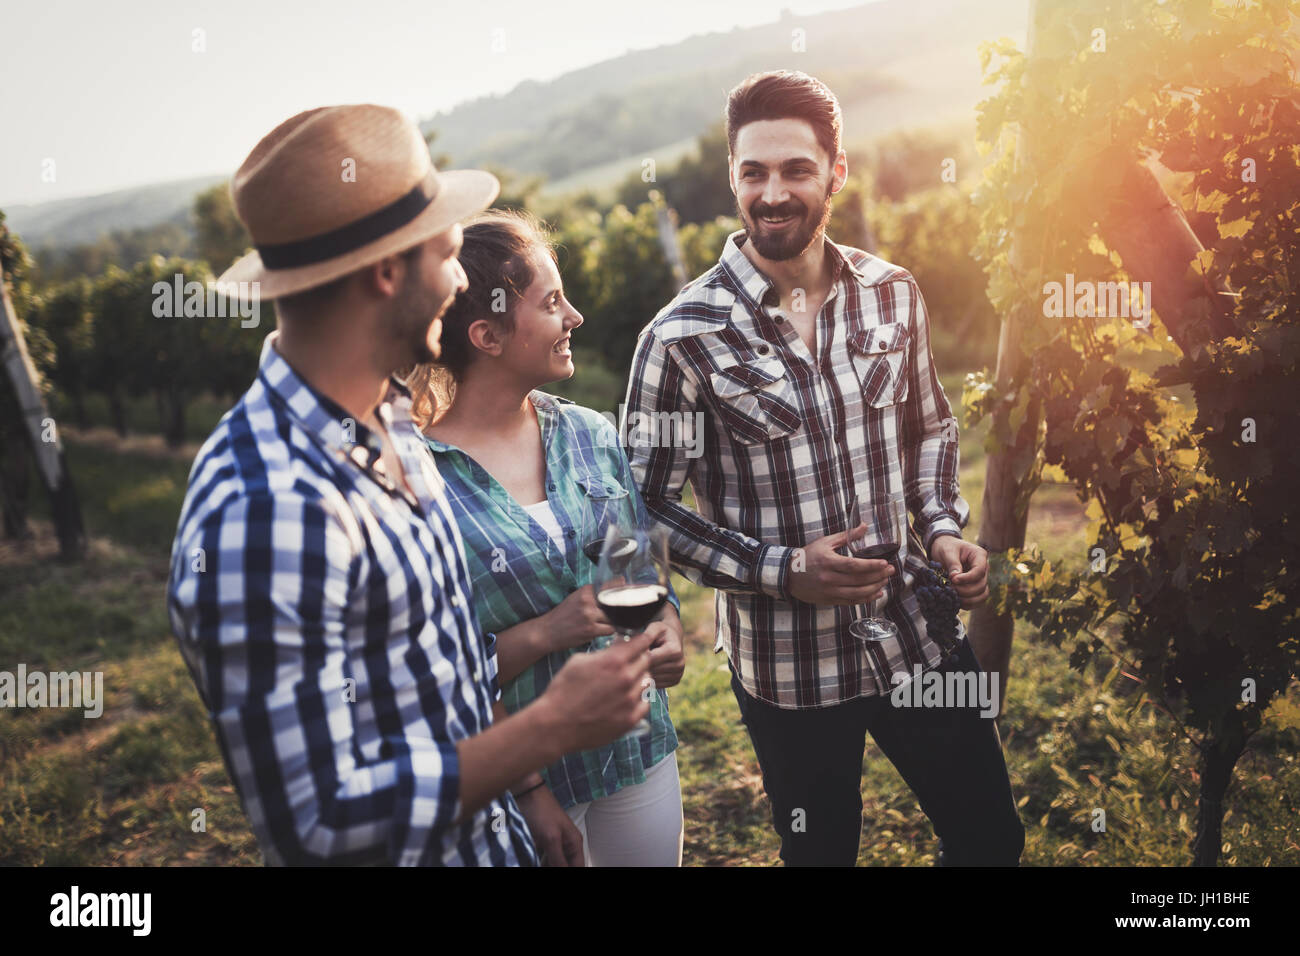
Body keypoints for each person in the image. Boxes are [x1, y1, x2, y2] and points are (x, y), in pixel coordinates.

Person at [167, 104, 654, 866]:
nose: (461, 279)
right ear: (389, 271)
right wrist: (548, 728)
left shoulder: (393, 424)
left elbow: (446, 671)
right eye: (452, 251)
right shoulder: (264, 508)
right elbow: (317, 822)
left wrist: (523, 786)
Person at [623, 71, 1025, 866]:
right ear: (733, 176)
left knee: (989, 839)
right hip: (787, 666)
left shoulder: (893, 295)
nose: (772, 194)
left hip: (917, 631)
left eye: (795, 170)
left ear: (836, 173)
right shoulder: (680, 339)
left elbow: (929, 427)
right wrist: (783, 570)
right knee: (821, 854)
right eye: (753, 172)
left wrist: (943, 528)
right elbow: (640, 513)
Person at [407, 209, 687, 866]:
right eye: (552, 302)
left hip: (637, 749)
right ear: (488, 334)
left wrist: (666, 619)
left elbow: (636, 566)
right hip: (526, 787)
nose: (575, 317)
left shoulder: (590, 434)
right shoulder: (422, 484)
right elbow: (436, 675)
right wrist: (546, 633)